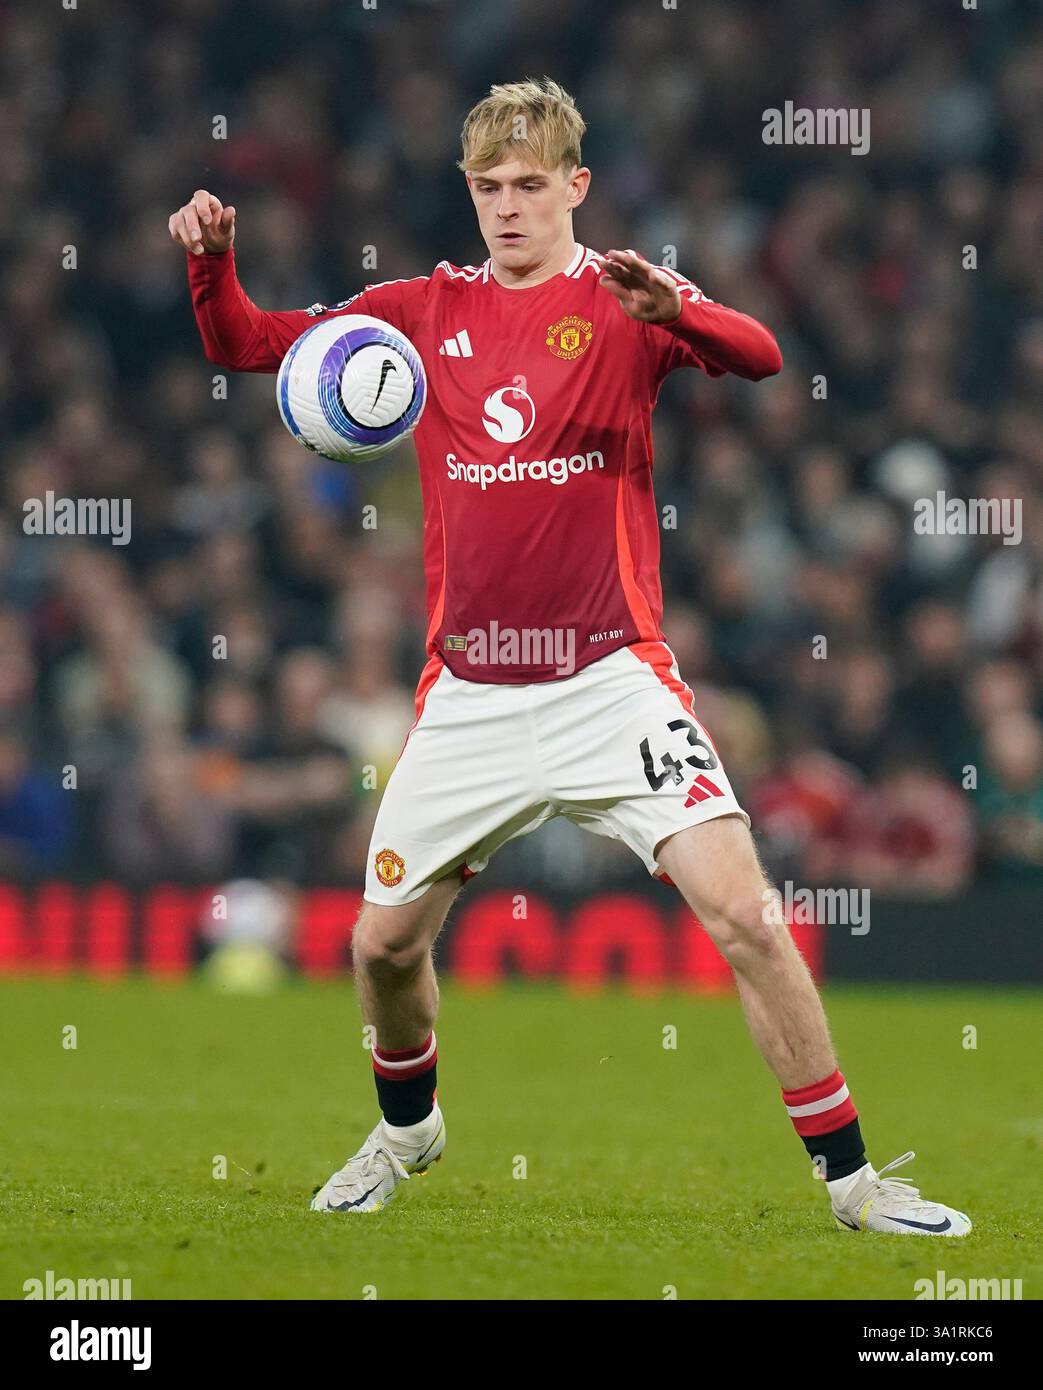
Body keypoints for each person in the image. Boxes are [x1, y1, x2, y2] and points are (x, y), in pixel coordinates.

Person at [170, 78, 970, 1236]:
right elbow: (245, 344)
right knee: (381, 947)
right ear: (469, 191)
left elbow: (758, 354)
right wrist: (212, 263)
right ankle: (408, 1129)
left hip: (610, 682)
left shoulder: (622, 295)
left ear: (573, 187)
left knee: (748, 917)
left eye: (529, 186)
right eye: (488, 187)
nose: (506, 207)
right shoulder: (414, 310)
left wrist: (675, 315)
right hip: (470, 693)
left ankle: (853, 1183)